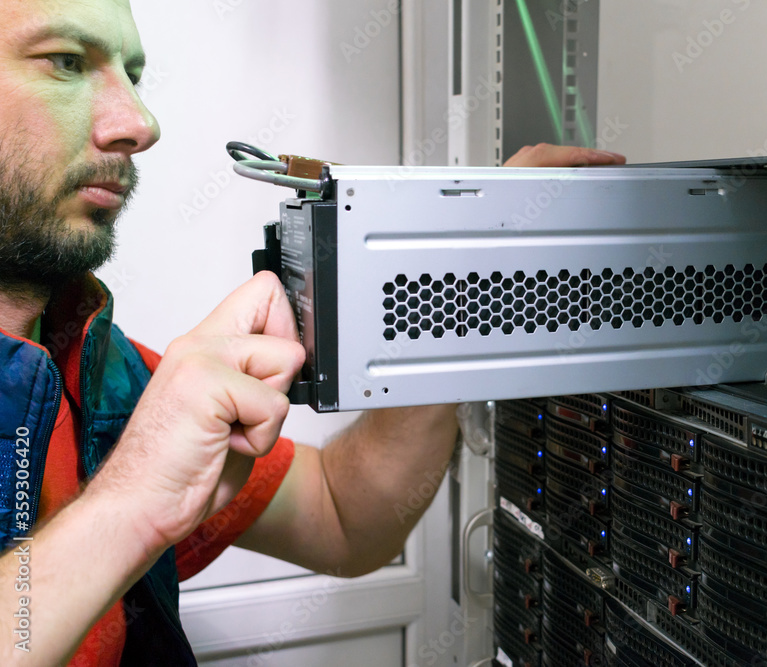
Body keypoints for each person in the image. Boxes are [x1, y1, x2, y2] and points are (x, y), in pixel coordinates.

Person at [0, 0, 626, 663]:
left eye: (133, 75)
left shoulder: (97, 372)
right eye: (66, 62)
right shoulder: (131, 432)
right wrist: (128, 506)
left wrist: (460, 275)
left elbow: (343, 513)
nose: (140, 123)